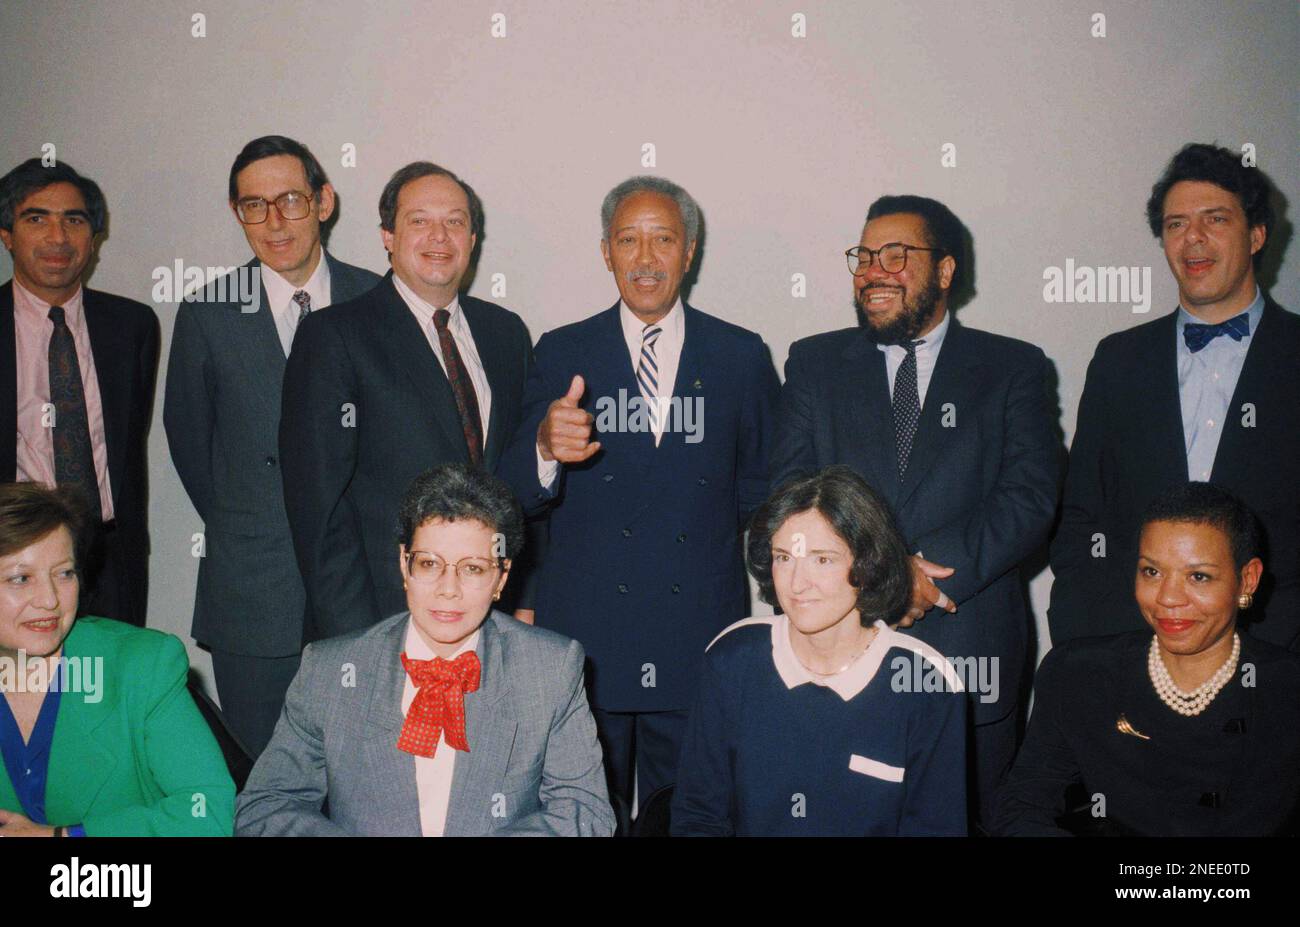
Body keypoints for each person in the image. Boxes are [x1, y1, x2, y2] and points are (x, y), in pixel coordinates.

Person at [769, 195, 1061, 828]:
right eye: (865, 256)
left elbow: (1030, 496)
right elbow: (788, 493)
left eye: (896, 255)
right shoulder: (813, 362)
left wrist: (928, 575)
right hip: (836, 648)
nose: (874, 270)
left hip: (968, 650)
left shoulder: (1014, 367)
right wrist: (883, 573)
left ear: (947, 270)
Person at [497, 176, 779, 820]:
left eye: (663, 240)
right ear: (605, 252)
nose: (646, 259)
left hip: (698, 632)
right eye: (628, 240)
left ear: (690, 250)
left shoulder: (740, 355)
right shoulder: (562, 350)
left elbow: (765, 495)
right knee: (579, 815)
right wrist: (543, 445)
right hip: (587, 637)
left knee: (686, 816)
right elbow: (512, 494)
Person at [235, 463, 614, 836]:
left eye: (473, 569)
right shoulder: (330, 671)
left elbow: (585, 810)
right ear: (404, 564)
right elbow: (265, 807)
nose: (448, 589)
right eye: (430, 563)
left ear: (502, 577)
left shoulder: (549, 669)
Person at [164, 135, 380, 757]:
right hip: (253, 592)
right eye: (254, 206)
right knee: (266, 778)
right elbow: (192, 448)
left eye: (290, 200)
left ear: (324, 202)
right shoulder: (206, 312)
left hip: (365, 587)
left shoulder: (379, 299)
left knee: (365, 776)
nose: (275, 221)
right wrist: (255, 525)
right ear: (238, 213)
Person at [1049, 143, 1299, 651]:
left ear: (1256, 235)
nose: (1194, 239)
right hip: (1128, 644)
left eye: (1215, 219)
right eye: (1176, 224)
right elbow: (1081, 511)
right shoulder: (1118, 359)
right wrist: (1087, 625)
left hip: (1278, 651)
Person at [279, 161, 534, 643]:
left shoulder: (507, 335)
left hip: (489, 617)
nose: (439, 236)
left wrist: (524, 598)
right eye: (419, 221)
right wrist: (355, 640)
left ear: (473, 240)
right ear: (387, 236)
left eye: (455, 222)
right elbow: (319, 508)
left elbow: (514, 483)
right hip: (382, 618)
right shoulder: (334, 336)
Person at [672, 466, 966, 836]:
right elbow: (698, 817)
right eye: (784, 557)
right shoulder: (732, 659)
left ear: (867, 563)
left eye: (822, 559)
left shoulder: (925, 682)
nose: (797, 584)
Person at [998, 482, 1300, 836]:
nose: (1168, 598)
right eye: (1151, 572)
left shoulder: (1286, 689)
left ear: (1247, 580)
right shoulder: (1079, 674)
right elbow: (1020, 806)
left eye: (1198, 576)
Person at [0, 482, 234, 836]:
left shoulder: (142, 666)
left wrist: (66, 836)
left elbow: (211, 809)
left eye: (65, 573)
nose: (49, 600)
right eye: (21, 578)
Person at [0, 159, 159, 628]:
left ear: (93, 237)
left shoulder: (132, 326)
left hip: (109, 557)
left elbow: (127, 449)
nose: (57, 237)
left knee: (107, 692)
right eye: (36, 218)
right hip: (11, 552)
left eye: (74, 219)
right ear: (7, 234)